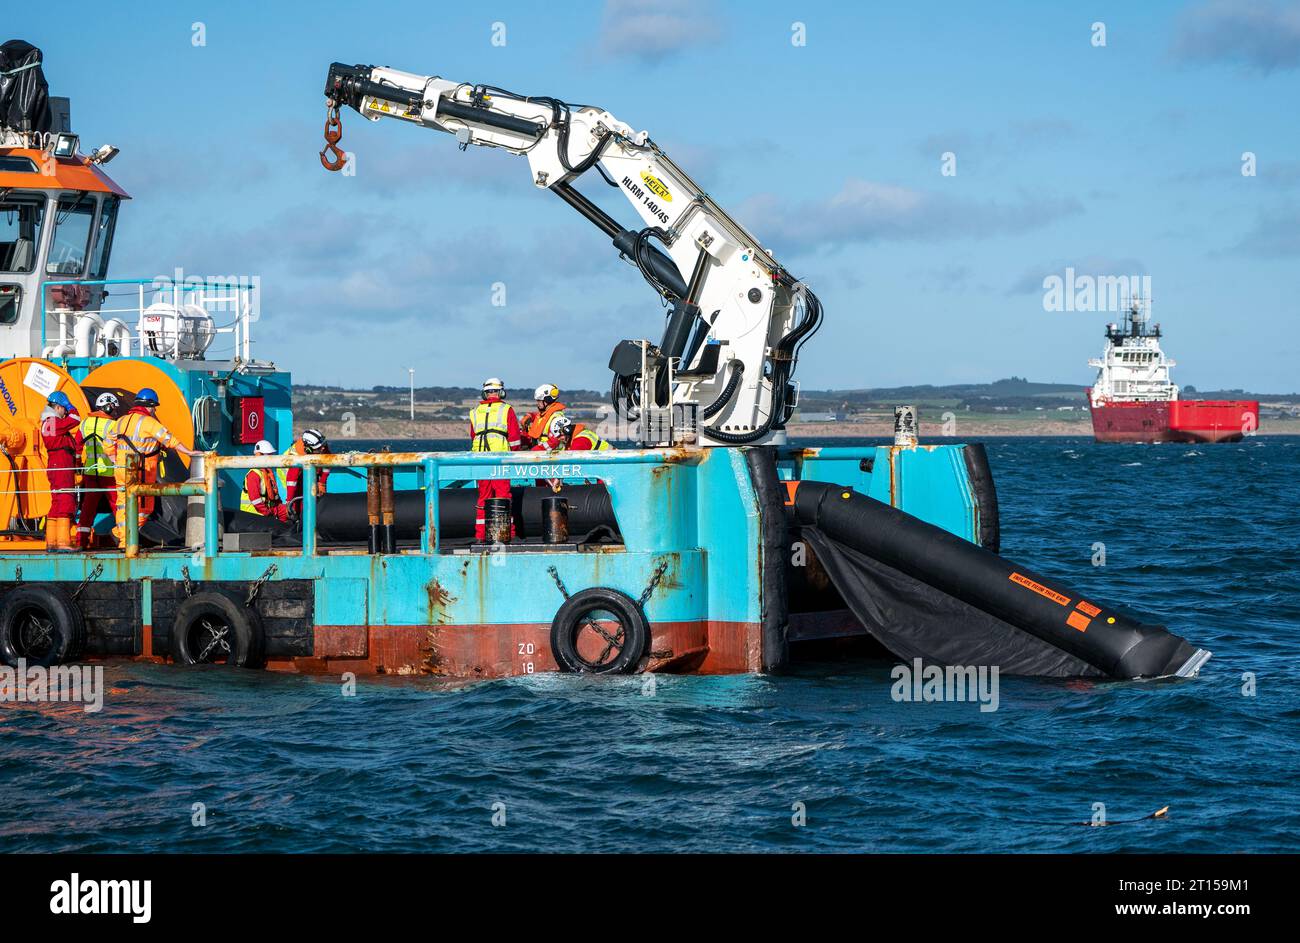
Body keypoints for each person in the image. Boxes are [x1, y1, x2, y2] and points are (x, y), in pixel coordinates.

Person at [106, 387, 202, 544]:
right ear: (148, 406)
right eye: (153, 407)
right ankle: (126, 542)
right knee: (144, 508)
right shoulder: (150, 423)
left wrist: (114, 460)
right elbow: (170, 440)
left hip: (122, 470)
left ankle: (121, 535)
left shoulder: (121, 421)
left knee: (123, 505)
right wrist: (189, 452)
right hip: (142, 472)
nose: (154, 410)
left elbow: (108, 443)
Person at [468, 377, 521, 541]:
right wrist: (515, 453)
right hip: (501, 459)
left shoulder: (474, 411)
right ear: (501, 392)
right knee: (503, 496)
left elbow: (472, 436)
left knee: (484, 496)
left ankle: (480, 535)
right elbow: (514, 439)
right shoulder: (506, 410)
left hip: (480, 458)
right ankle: (508, 534)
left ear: (484, 393)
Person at [76, 392, 121, 549]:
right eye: (114, 409)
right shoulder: (112, 425)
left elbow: (77, 446)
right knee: (118, 506)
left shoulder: (84, 423)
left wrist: (77, 466)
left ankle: (81, 540)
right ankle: (125, 539)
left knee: (88, 508)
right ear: (108, 407)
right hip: (108, 473)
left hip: (90, 473)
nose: (115, 413)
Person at [40, 391, 83, 551]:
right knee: (66, 499)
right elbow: (76, 418)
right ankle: (64, 543)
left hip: (54, 463)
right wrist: (70, 406)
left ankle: (51, 542)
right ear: (58, 407)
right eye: (63, 409)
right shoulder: (55, 422)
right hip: (62, 463)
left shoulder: (46, 423)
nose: (65, 412)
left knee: (56, 502)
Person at [280, 428, 331, 509]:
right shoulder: (297, 456)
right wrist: (289, 501)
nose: (323, 449)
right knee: (297, 497)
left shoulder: (321, 445)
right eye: (319, 448)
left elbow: (328, 462)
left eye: (323, 446)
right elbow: (291, 480)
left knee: (316, 496)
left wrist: (322, 483)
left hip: (309, 469)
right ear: (309, 449)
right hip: (289, 473)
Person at [241, 439, 289, 521]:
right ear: (259, 455)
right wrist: (270, 514)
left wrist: (286, 509)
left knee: (291, 512)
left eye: (271, 455)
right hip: (254, 515)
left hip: (269, 510)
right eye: (269, 455)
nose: (271, 458)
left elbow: (275, 498)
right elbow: (256, 502)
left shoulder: (267, 472)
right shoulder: (253, 475)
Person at [520, 384, 566, 449]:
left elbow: (555, 441)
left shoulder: (557, 417)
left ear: (547, 400)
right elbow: (542, 417)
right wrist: (530, 416)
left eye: (539, 400)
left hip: (553, 455)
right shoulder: (546, 414)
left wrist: (537, 449)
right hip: (543, 453)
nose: (537, 403)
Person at [545, 415, 613, 451]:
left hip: (611, 468)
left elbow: (572, 465)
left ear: (567, 430)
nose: (559, 439)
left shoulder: (580, 440)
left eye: (560, 436)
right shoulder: (572, 439)